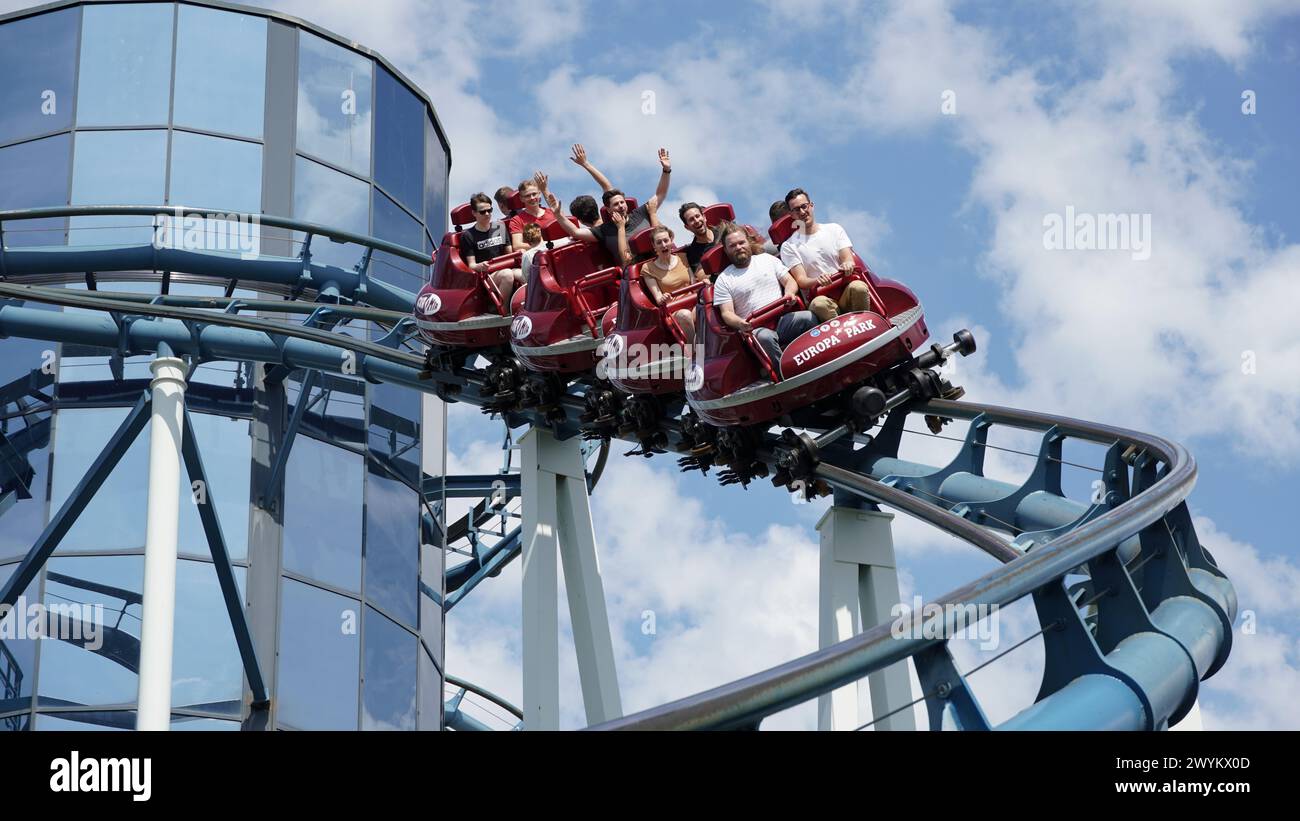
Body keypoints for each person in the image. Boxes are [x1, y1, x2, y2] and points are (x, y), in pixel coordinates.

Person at [713, 223, 815, 379]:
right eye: (733, 245)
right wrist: (740, 323)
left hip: (782, 319)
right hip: (757, 328)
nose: (739, 247)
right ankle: (786, 375)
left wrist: (789, 293)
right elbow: (727, 313)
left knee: (808, 318)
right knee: (765, 338)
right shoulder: (724, 279)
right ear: (726, 250)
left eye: (741, 243)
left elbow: (790, 281)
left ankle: (817, 360)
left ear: (748, 242)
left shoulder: (767, 259)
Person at [550, 145, 673, 266]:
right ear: (608, 209)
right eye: (616, 204)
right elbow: (575, 232)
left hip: (662, 262)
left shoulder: (641, 213)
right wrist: (558, 214)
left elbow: (660, 194)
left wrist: (666, 170)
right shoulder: (604, 230)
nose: (621, 206)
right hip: (636, 272)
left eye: (622, 202)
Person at [780, 188, 869, 322]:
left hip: (844, 289)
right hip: (820, 296)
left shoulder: (834, 229)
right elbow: (801, 280)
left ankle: (864, 324)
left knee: (859, 287)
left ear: (811, 206)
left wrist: (847, 264)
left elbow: (847, 258)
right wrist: (817, 280)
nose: (802, 212)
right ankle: (840, 331)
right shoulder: (789, 246)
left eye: (804, 206)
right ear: (791, 215)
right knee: (820, 304)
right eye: (797, 210)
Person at [639, 224, 700, 344]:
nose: (664, 245)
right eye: (659, 242)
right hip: (674, 309)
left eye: (666, 240)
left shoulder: (683, 257)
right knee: (685, 315)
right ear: (654, 246)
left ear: (671, 240)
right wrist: (663, 298)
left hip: (693, 302)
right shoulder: (648, 268)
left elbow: (693, 283)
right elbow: (658, 298)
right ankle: (695, 351)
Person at [460, 192, 522, 305]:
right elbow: (472, 265)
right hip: (486, 276)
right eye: (482, 212)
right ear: (474, 213)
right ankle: (504, 310)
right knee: (507, 274)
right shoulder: (468, 235)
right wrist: (480, 266)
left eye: (490, 210)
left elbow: (509, 254)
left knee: (526, 274)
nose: (487, 214)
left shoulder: (499, 227)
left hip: (505, 268)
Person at [507, 175, 557, 251]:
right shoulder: (516, 220)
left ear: (539, 194)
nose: (532, 198)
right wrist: (543, 245)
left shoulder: (552, 212)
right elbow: (517, 246)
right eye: (527, 196)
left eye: (534, 194)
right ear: (521, 199)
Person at [679, 202, 718, 278]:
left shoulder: (724, 230)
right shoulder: (693, 255)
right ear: (687, 227)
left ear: (704, 217)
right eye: (691, 219)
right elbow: (701, 275)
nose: (696, 221)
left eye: (697, 216)